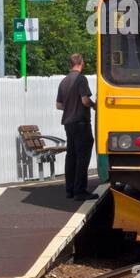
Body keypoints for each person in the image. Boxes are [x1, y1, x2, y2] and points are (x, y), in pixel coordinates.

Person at [55, 53, 95, 200]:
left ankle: (69, 190)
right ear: (81, 63)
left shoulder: (64, 81)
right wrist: (95, 105)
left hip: (68, 123)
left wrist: (70, 106)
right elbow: (85, 100)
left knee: (70, 156)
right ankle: (80, 191)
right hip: (81, 123)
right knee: (82, 156)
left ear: (69, 64)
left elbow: (59, 105)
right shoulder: (81, 79)